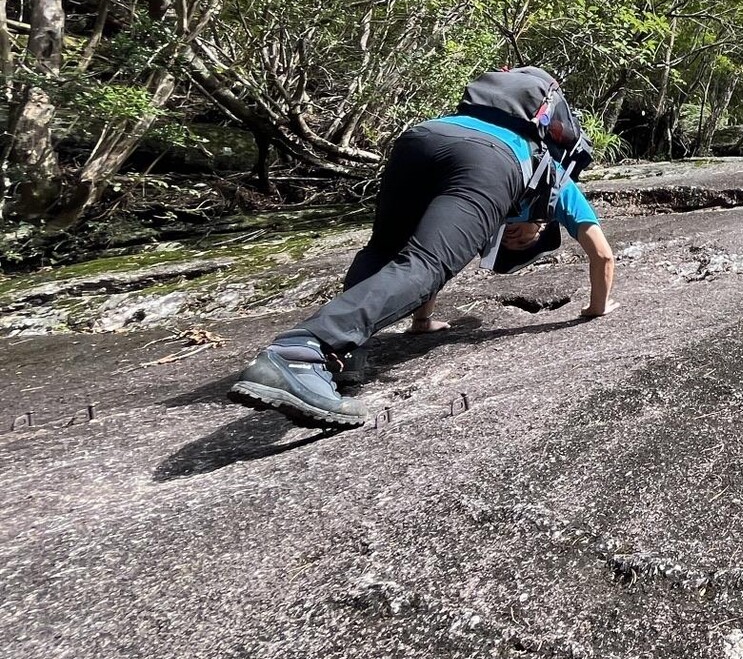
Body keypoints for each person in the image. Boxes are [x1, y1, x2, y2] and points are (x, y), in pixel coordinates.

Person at [229, 67, 614, 427]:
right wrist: (596, 310)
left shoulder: (504, 140)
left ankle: (346, 353)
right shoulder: (556, 182)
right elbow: (602, 254)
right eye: (525, 237)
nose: (517, 237)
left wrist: (422, 320)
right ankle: (302, 352)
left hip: (423, 139)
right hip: (489, 159)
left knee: (384, 249)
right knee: (427, 261)